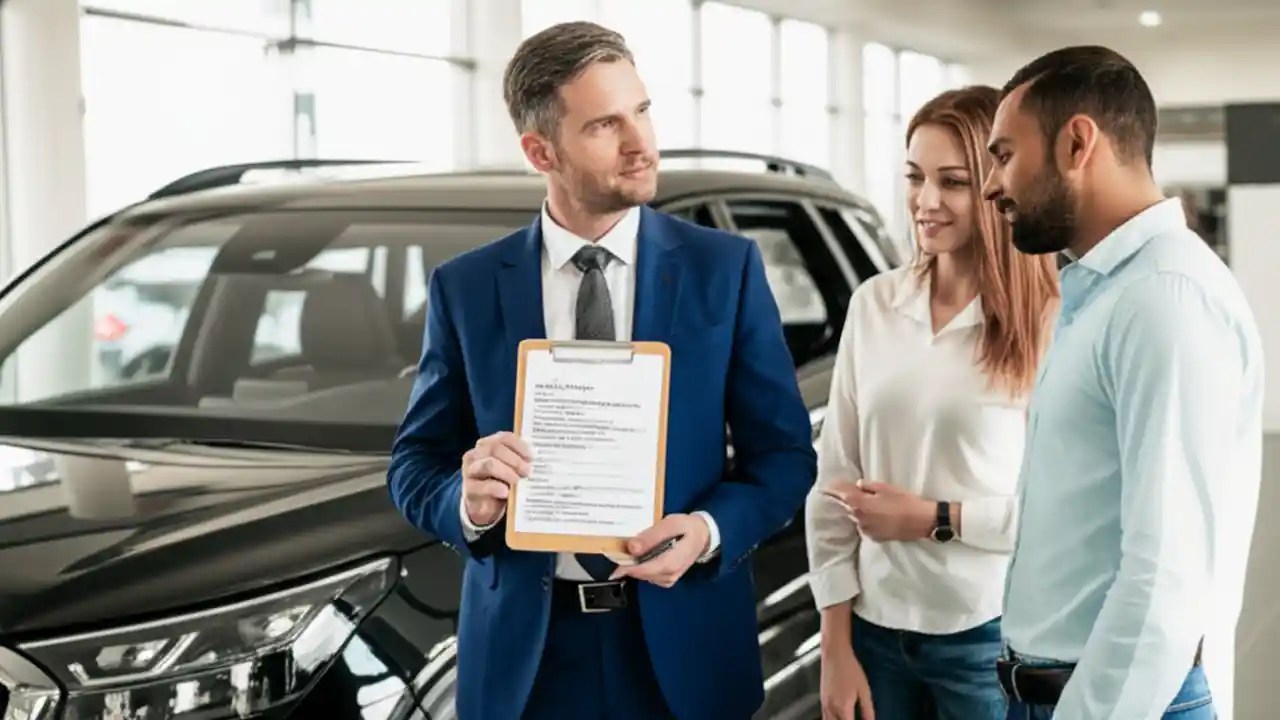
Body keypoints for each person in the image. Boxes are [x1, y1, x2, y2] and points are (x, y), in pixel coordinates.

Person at [386, 20, 817, 720]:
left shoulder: (724, 271)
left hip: (683, 647)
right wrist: (467, 502)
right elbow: (414, 464)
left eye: (642, 111)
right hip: (529, 658)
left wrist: (708, 530)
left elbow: (785, 458)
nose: (641, 142)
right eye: (605, 125)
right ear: (540, 150)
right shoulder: (465, 289)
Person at [982, 45, 1264, 720]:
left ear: (1078, 142)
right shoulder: (1107, 292)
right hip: (1064, 691)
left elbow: (1164, 576)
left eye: (1004, 154)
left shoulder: (1162, 299)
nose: (994, 184)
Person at [805, 85, 1059, 720]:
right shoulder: (875, 304)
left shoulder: (1051, 321)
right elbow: (833, 481)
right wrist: (834, 644)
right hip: (872, 630)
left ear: (996, 186)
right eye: (915, 177)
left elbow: (1060, 516)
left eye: (952, 181)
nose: (926, 201)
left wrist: (931, 518)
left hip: (989, 637)